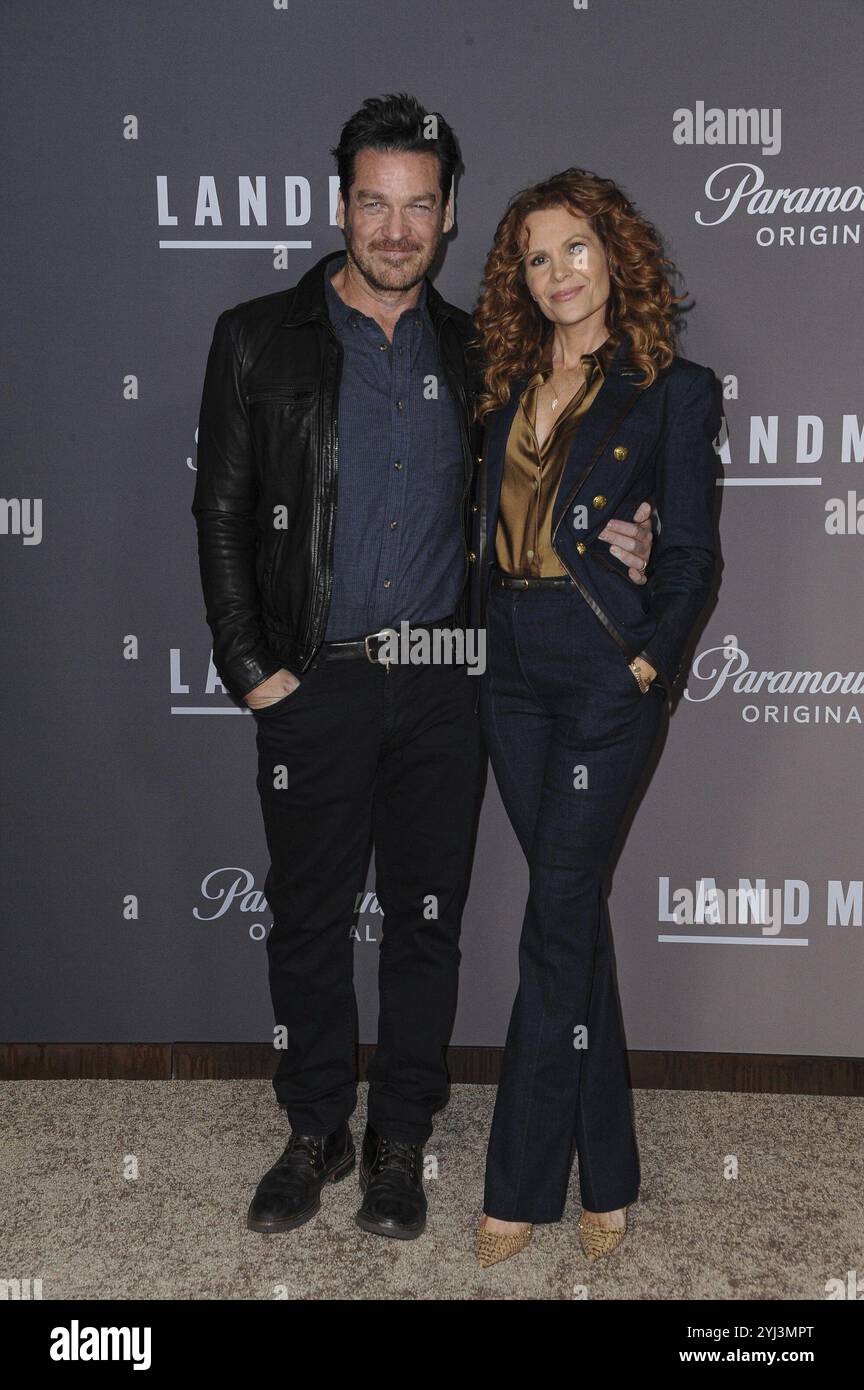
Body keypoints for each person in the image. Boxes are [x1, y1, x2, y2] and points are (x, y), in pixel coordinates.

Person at [192, 97, 654, 1243]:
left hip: (447, 677)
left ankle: (400, 1136)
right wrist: (255, 670)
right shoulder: (257, 337)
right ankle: (314, 1127)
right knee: (304, 918)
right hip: (314, 678)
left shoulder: (479, 350)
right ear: (341, 204)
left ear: (448, 216)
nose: (395, 228)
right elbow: (222, 513)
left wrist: (632, 533)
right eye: (373, 203)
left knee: (425, 920)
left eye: (418, 206)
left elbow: (562, 464)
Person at [469, 169, 722, 1267]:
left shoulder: (673, 387)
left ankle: (519, 1183)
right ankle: (608, 1170)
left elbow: (695, 553)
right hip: (507, 667)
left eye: (577, 247)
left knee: (555, 912)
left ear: (617, 254)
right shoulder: (498, 382)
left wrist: (649, 657)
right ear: (518, 278)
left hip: (602, 664)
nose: (559, 271)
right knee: (573, 918)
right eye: (536, 256)